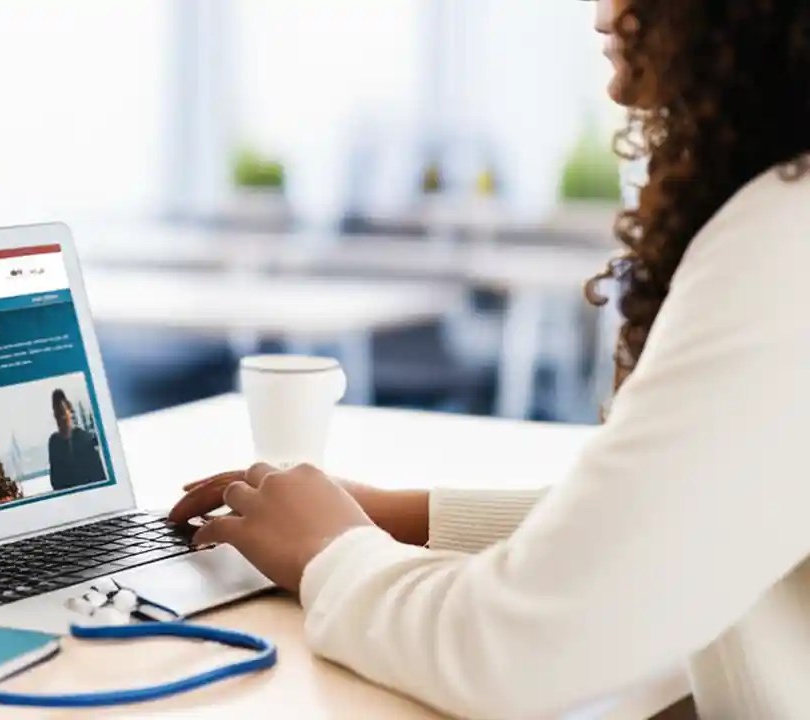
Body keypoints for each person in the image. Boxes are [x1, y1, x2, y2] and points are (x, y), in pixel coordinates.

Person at [170, 1, 810, 717]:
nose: (602, 6)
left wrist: (330, 549)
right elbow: (686, 513)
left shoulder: (790, 236)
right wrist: (398, 518)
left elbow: (516, 652)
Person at [47, 389, 105, 491]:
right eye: (58, 414)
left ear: (70, 412)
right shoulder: (54, 443)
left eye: (63, 413)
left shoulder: (85, 439)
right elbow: (55, 480)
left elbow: (99, 474)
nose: (61, 418)